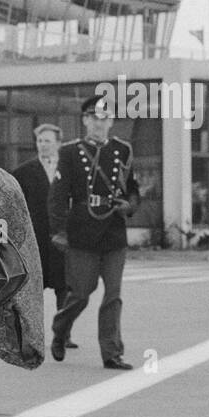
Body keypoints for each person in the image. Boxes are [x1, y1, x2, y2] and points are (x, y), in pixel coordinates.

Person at [47, 92, 140, 368]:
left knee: (113, 294)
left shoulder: (122, 150)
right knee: (81, 294)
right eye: (93, 118)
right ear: (85, 121)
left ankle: (111, 353)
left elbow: (132, 188)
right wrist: (58, 231)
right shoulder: (70, 152)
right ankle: (60, 328)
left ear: (111, 122)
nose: (98, 124)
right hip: (82, 231)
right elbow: (57, 195)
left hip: (113, 230)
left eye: (104, 118)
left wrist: (130, 205)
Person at [12, 123, 69, 318]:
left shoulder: (69, 169)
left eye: (48, 141)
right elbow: (15, 206)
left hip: (63, 238)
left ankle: (63, 335)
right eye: (40, 141)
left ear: (59, 144)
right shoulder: (23, 173)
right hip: (36, 240)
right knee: (34, 288)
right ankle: (33, 337)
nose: (43, 145)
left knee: (65, 287)